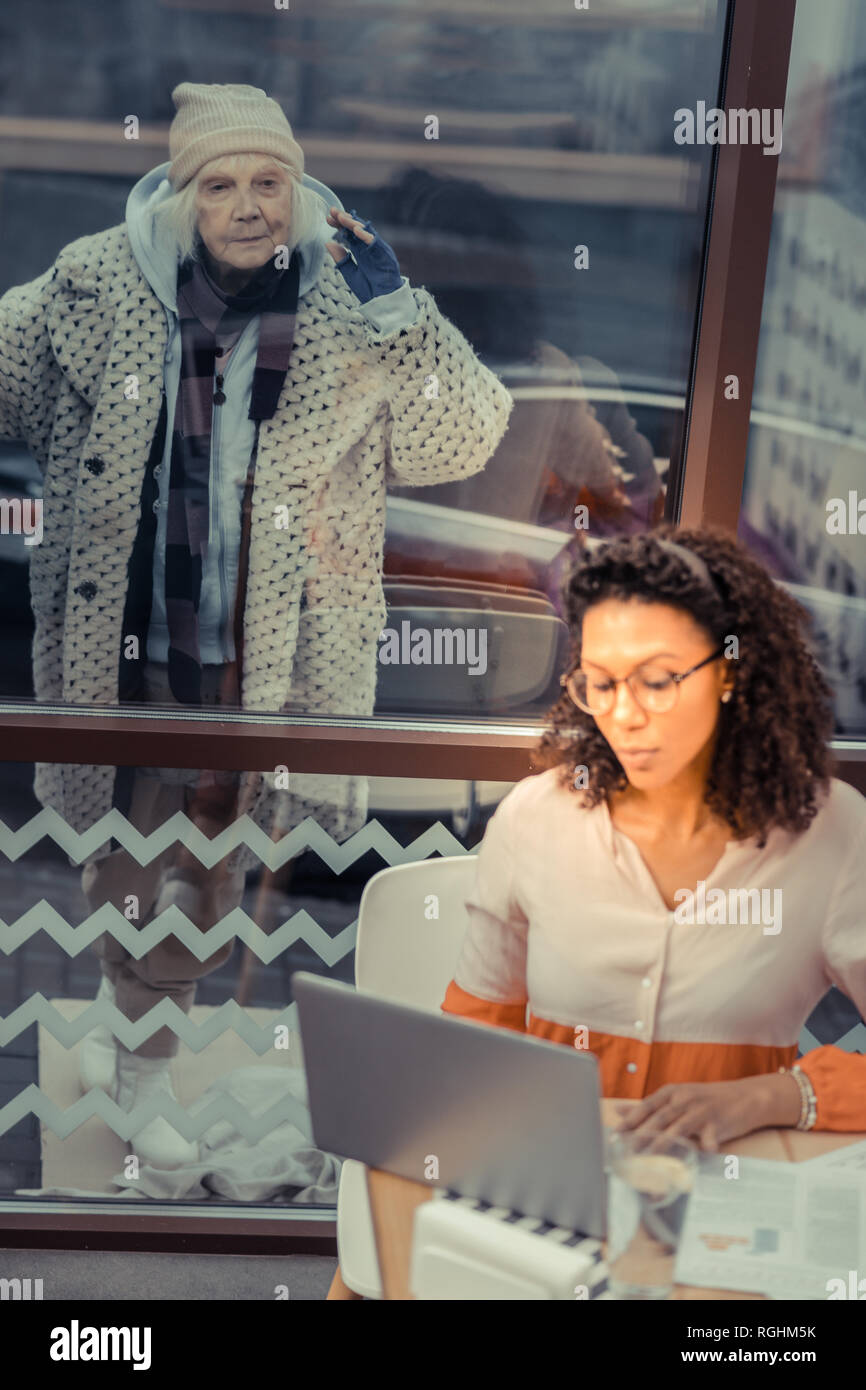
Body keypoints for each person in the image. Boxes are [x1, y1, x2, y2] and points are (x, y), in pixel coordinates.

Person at [0, 82, 512, 1167]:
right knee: (127, 870)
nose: (248, 206)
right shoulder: (96, 285)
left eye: (269, 182)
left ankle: (138, 1052)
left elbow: (464, 435)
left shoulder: (342, 305)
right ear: (182, 196)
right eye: (221, 184)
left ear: (296, 188)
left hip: (270, 665)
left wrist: (399, 307)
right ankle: (136, 1059)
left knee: (218, 871)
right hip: (126, 650)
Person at [442, 526, 866, 1144]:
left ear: (727, 672)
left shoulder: (835, 834)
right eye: (602, 684)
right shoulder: (535, 818)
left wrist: (775, 1095)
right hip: (553, 1186)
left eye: (658, 680)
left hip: (730, 1199)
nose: (625, 715)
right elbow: (471, 1039)